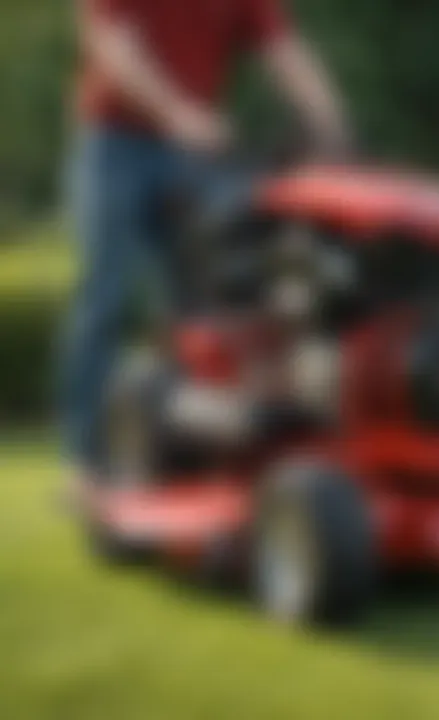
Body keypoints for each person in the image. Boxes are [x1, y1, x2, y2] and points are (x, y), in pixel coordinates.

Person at [60, 0, 349, 496]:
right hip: (115, 143)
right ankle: (87, 466)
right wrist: (177, 112)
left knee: (204, 309)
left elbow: (283, 49)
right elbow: (111, 46)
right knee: (105, 300)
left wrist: (328, 117)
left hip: (190, 152)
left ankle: (184, 455)